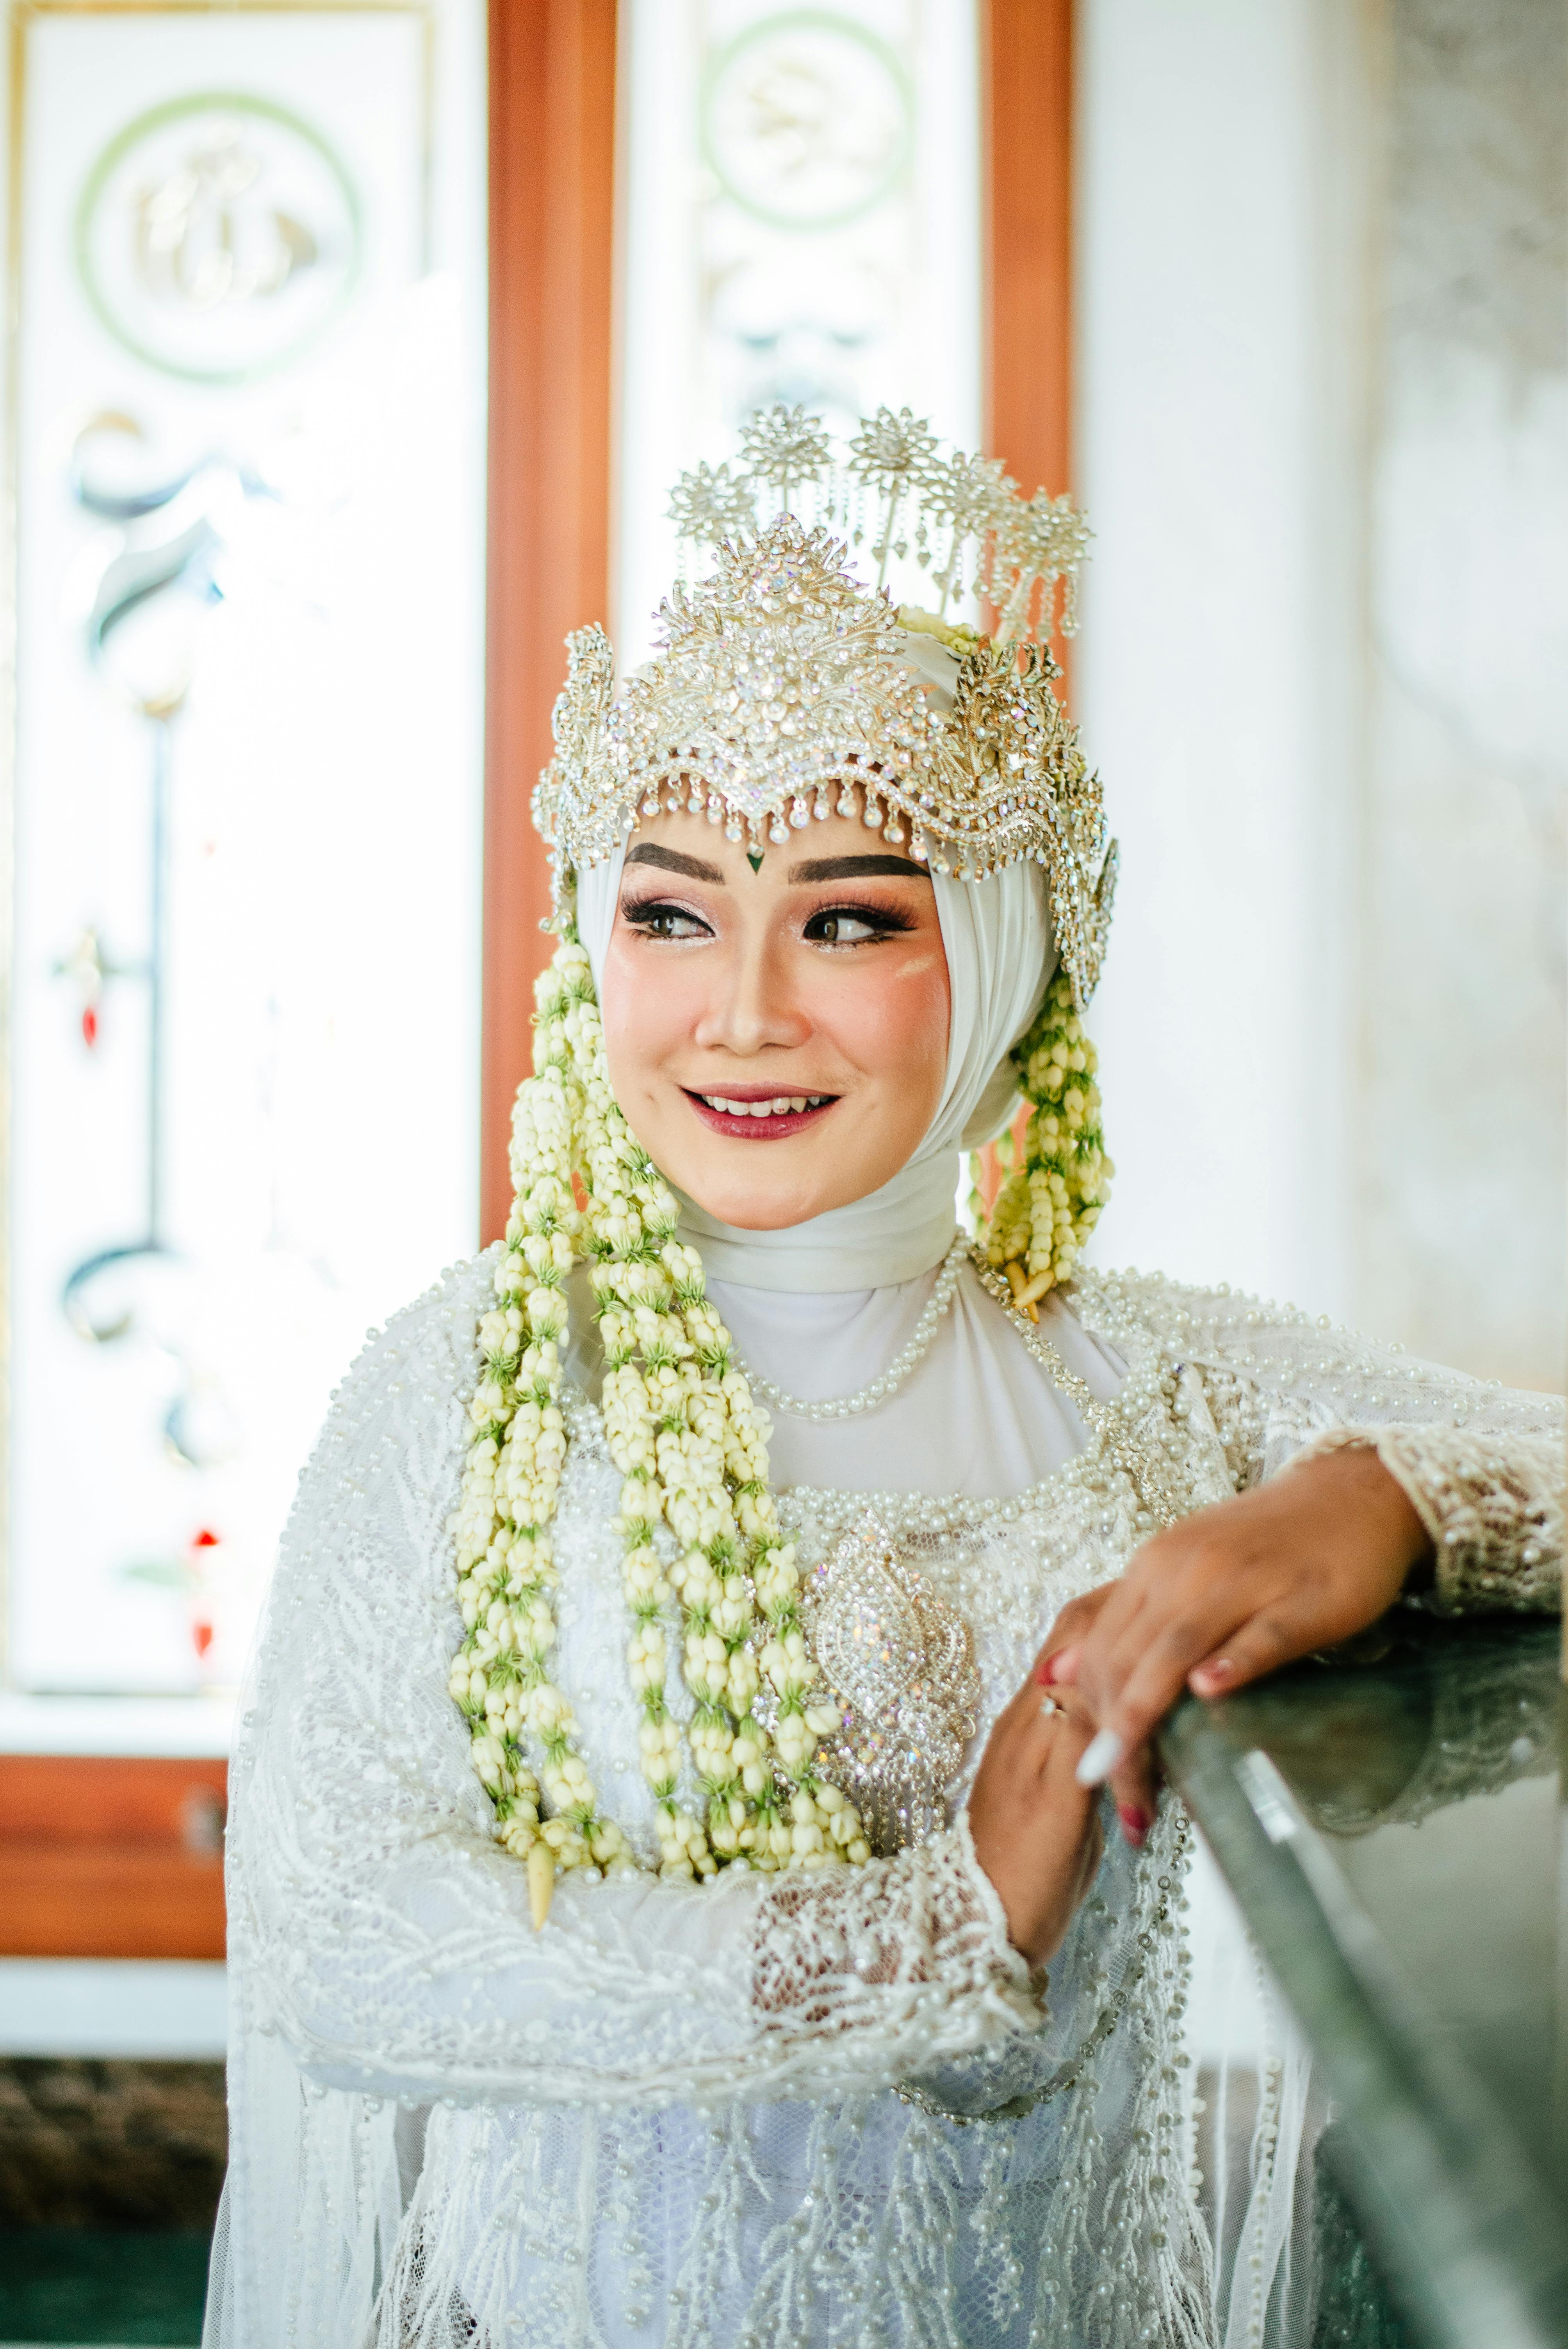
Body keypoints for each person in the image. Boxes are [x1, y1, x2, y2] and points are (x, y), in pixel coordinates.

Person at [204, 410, 1562, 2349]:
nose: (741, 1007)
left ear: (1004, 958)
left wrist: (1379, 1500)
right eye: (668, 908)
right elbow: (343, 1939)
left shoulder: (1148, 1378)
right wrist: (920, 1940)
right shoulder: (471, 1392)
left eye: (849, 917)